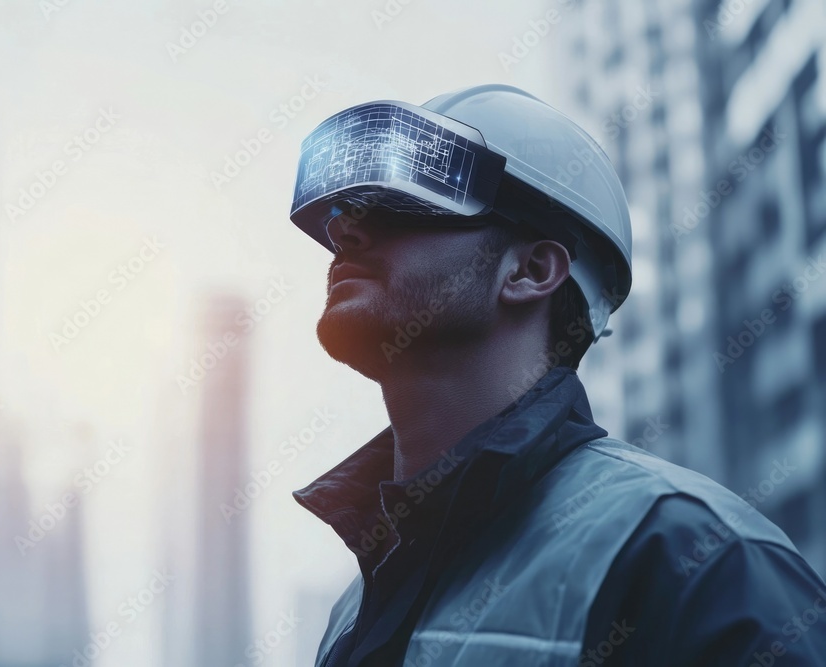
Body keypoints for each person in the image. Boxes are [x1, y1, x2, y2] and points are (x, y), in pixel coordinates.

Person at [286, 85, 826, 666]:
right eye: (347, 213)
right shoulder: (354, 608)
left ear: (532, 270)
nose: (345, 232)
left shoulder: (694, 557)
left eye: (404, 207)